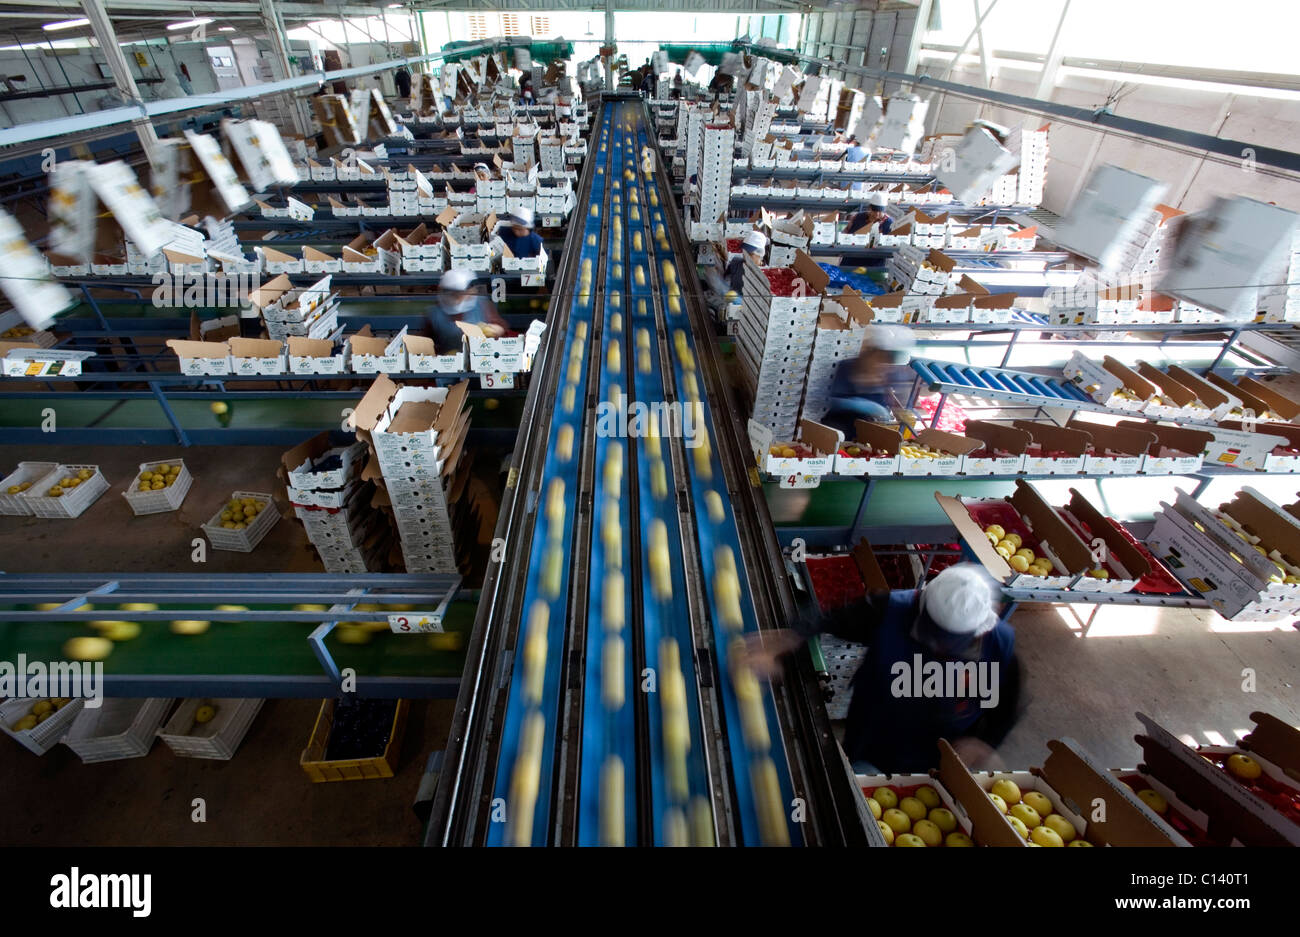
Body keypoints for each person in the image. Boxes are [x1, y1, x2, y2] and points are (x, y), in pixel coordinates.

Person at [740, 563, 1022, 774]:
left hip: (941, 757)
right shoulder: (890, 611)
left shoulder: (999, 645)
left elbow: (1006, 706)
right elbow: (830, 618)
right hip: (875, 740)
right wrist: (787, 639)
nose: (940, 649)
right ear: (921, 607)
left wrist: (986, 743)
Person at [820, 324, 913, 430]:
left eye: (889, 360)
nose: (885, 364)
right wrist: (863, 406)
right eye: (883, 356)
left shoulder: (891, 373)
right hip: (839, 429)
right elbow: (830, 400)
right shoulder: (848, 367)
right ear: (871, 352)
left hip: (869, 432)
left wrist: (902, 412)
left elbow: (898, 399)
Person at [426, 267, 507, 351]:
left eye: (459, 293)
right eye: (451, 293)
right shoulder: (436, 313)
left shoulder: (482, 304)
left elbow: (501, 329)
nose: (456, 296)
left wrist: (497, 329)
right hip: (449, 359)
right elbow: (426, 342)